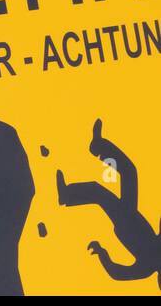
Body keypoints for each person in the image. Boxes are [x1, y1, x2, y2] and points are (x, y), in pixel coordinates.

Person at [57, 119, 160, 288]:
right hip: (129, 215)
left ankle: (68, 193)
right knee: (122, 176)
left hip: (126, 220)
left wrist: (102, 254)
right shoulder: (152, 258)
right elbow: (117, 273)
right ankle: (96, 148)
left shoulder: (147, 266)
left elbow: (117, 273)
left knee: (111, 183)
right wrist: (102, 253)